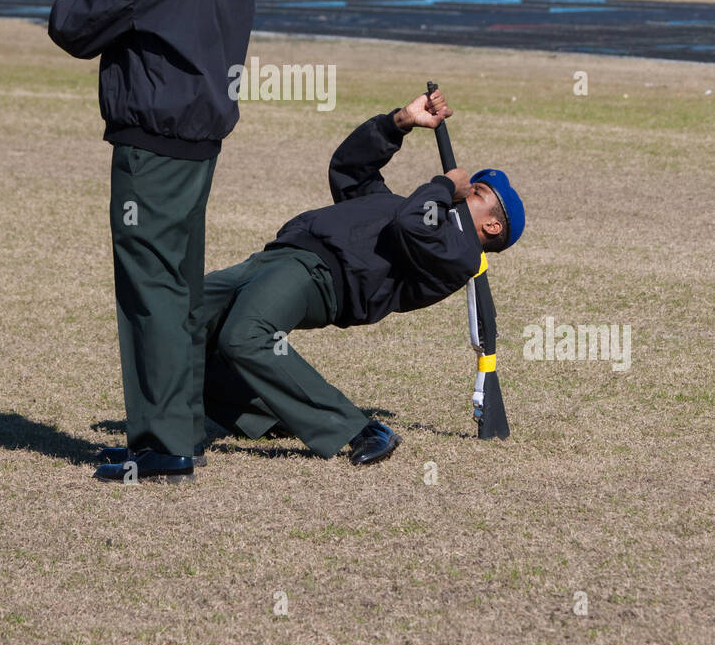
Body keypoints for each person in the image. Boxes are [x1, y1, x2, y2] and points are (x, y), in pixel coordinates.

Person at [49, 0, 255, 485]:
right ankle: (184, 426)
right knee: (180, 287)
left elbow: (74, 29)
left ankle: (163, 445)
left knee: (151, 293)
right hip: (201, 138)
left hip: (153, 143)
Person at [193, 87, 525, 467]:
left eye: (476, 191)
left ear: (494, 224)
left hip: (319, 276)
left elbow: (412, 224)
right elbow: (350, 169)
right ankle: (260, 416)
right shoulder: (407, 208)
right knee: (182, 315)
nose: (466, 190)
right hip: (278, 257)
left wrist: (446, 185)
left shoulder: (458, 253)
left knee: (244, 336)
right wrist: (398, 123)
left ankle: (359, 430)